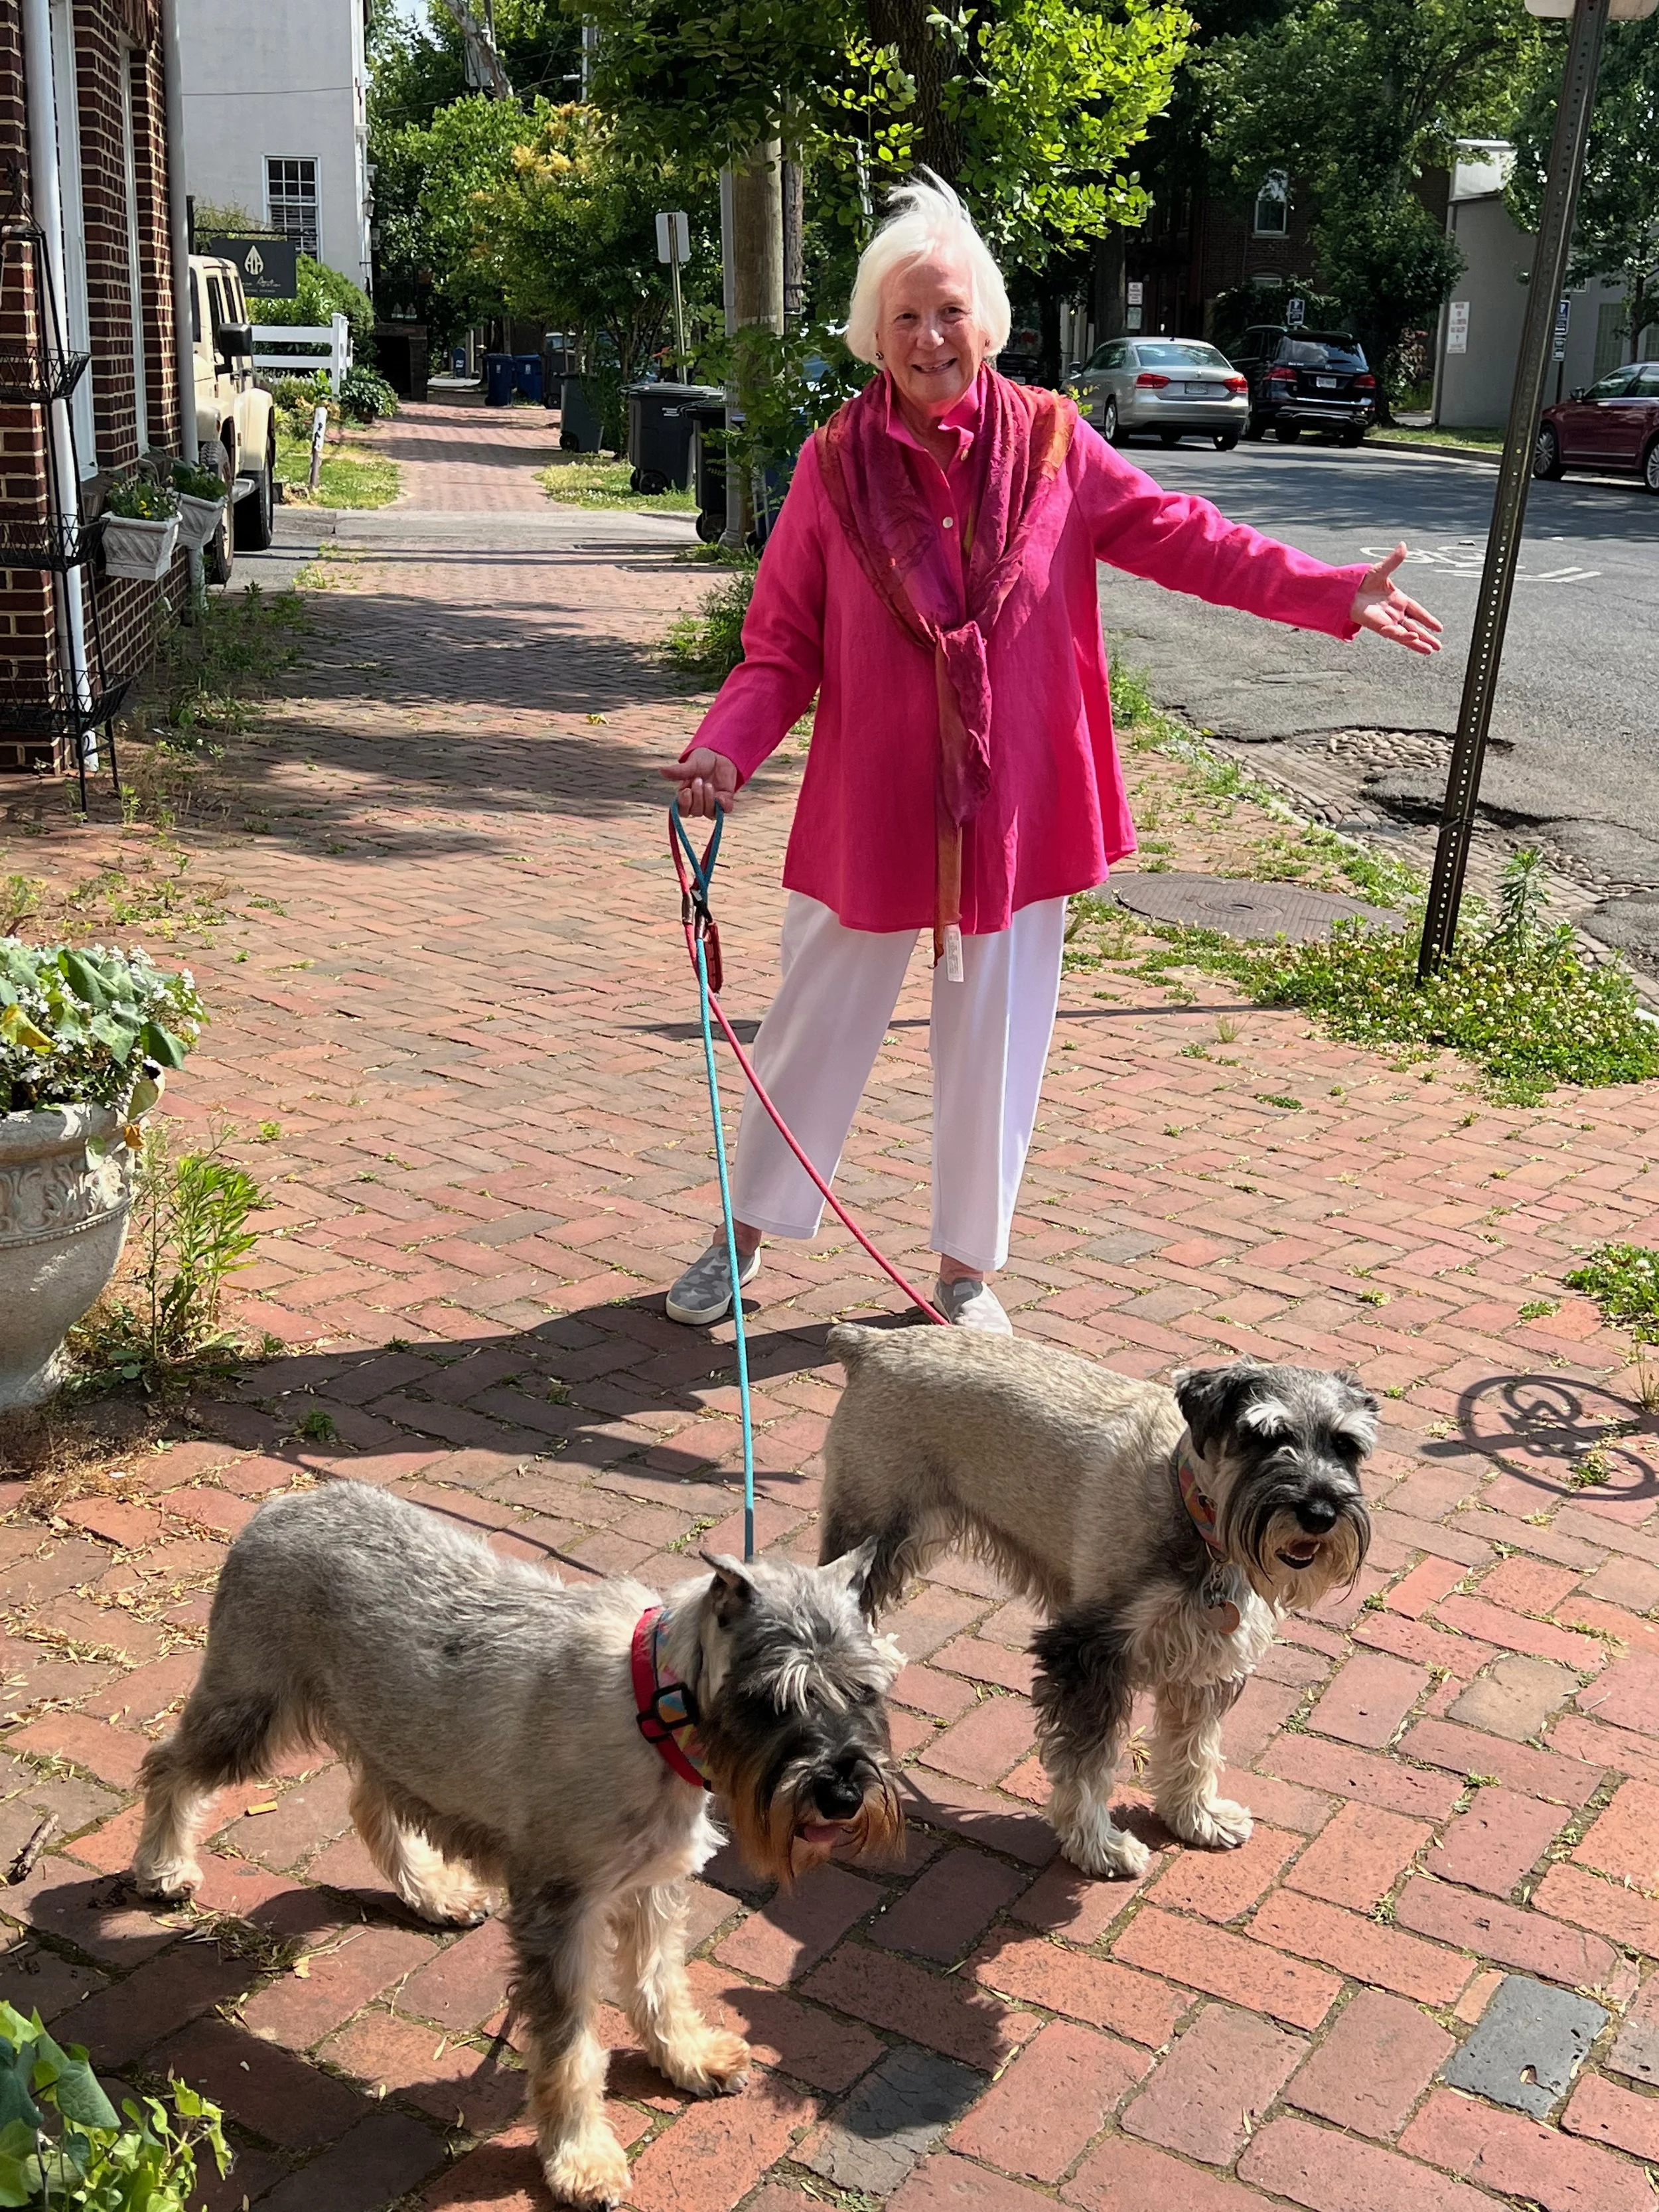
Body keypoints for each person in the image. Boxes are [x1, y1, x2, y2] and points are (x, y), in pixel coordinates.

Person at [660, 175, 1441, 1335]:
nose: (932, 337)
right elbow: (781, 650)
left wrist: (1326, 590)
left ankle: (969, 1269)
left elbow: (1185, 537)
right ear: (876, 336)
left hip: (1015, 806)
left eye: (951, 311)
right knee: (814, 1019)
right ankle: (745, 1233)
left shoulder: (1055, 445)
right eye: (908, 317)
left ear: (991, 320)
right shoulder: (833, 467)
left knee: (999, 1035)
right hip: (872, 803)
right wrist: (726, 747)